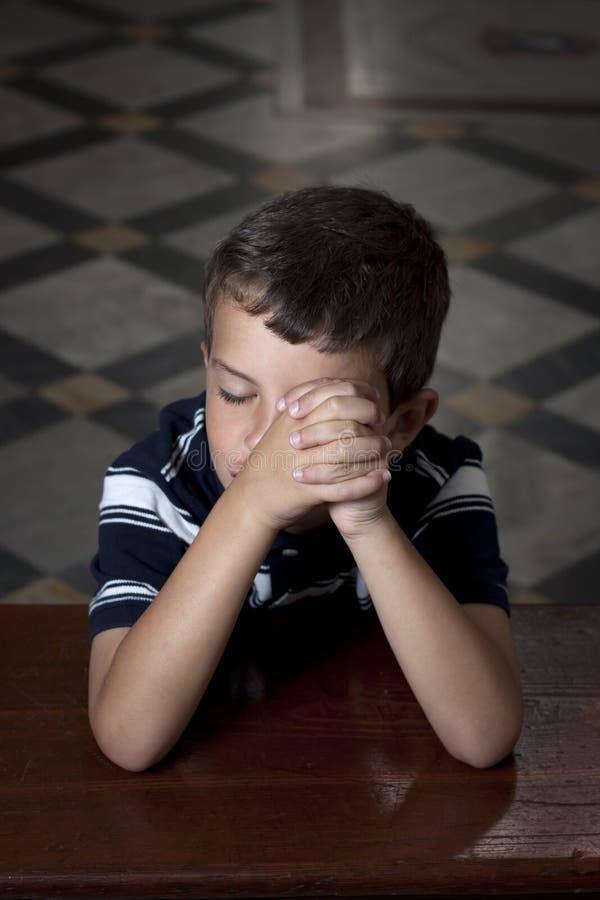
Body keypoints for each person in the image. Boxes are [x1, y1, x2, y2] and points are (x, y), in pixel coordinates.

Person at [88, 185, 523, 772]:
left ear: (403, 423)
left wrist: (367, 519)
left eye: (316, 409)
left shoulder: (438, 481)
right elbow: (128, 738)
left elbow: (484, 737)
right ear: (207, 370)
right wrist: (251, 505)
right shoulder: (156, 486)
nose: (262, 441)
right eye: (235, 393)